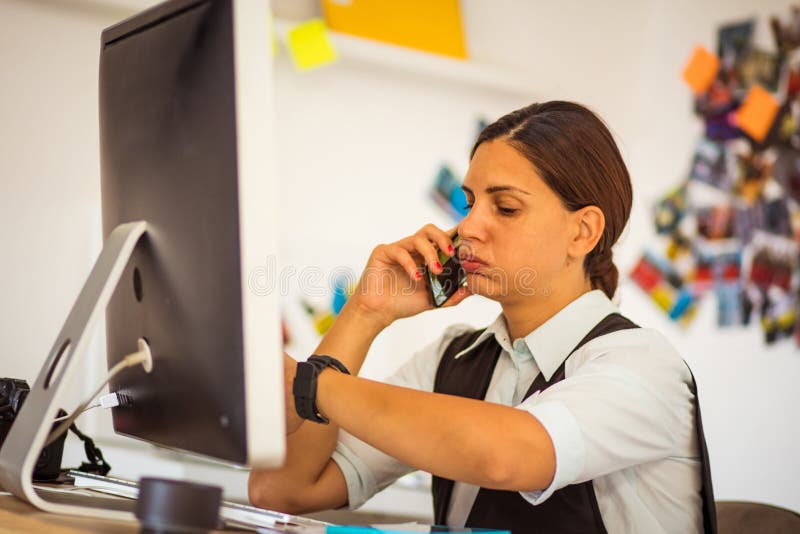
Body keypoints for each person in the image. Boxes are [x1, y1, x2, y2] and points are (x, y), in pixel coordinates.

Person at [248, 101, 716, 533]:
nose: (468, 227)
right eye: (470, 203)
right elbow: (283, 489)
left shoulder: (643, 365)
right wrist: (365, 313)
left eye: (505, 207)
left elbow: (507, 455)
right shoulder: (450, 359)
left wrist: (313, 384)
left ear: (583, 231)